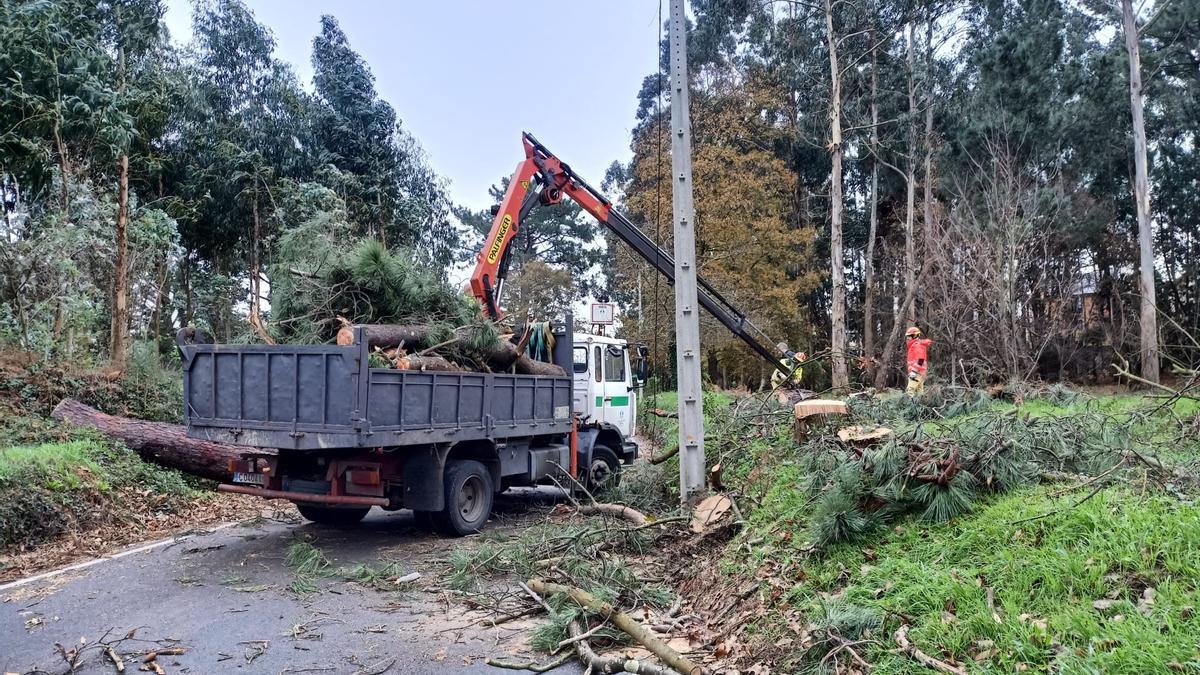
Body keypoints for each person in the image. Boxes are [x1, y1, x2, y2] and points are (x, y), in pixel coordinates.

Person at [905, 327, 933, 396]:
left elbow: (920, 360)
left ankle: (910, 406)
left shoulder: (917, 345)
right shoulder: (915, 345)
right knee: (919, 392)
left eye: (909, 336)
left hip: (917, 372)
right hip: (919, 372)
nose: (908, 338)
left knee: (910, 390)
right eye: (907, 336)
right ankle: (920, 405)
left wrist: (914, 371)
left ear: (915, 336)